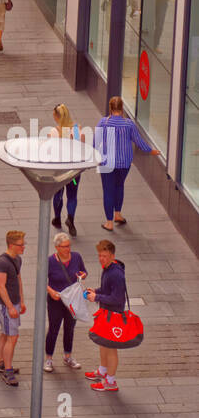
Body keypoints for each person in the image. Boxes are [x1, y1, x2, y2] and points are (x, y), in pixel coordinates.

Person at [93, 95, 160, 230]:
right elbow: (139, 141)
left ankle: (109, 222)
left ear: (110, 108)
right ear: (122, 108)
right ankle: (118, 214)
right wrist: (151, 151)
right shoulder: (129, 124)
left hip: (107, 163)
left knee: (108, 190)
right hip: (124, 163)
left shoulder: (103, 123)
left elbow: (95, 143)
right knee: (119, 186)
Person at [85, 238, 129, 391]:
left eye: (104, 256)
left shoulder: (116, 274)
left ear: (112, 255)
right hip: (106, 313)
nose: (101, 259)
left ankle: (111, 381)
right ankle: (103, 371)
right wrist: (96, 291)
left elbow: (117, 298)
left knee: (111, 348)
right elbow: (107, 289)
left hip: (113, 315)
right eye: (99, 255)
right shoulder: (108, 268)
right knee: (103, 343)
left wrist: (96, 297)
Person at [44, 232, 86, 373]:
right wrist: (50, 291)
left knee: (70, 328)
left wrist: (82, 275)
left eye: (69, 246)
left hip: (72, 300)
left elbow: (83, 271)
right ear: (57, 247)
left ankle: (68, 356)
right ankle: (48, 358)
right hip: (56, 299)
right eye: (64, 246)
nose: (67, 249)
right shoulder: (50, 261)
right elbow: (42, 279)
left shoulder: (76, 257)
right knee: (54, 329)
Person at [0, 230, 26, 385]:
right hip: (6, 305)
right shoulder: (2, 263)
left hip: (14, 303)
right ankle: (7, 371)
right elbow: (1, 287)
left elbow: (19, 280)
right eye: (21, 245)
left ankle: (0, 363)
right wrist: (10, 307)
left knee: (6, 334)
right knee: (12, 337)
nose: (23, 247)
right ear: (11, 245)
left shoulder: (17, 259)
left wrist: (22, 301)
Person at [49, 103, 82, 235]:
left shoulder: (54, 132)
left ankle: (57, 218)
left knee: (58, 194)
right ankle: (71, 219)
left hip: (59, 171)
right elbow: (82, 149)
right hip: (73, 171)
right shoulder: (77, 129)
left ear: (57, 117)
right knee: (72, 195)